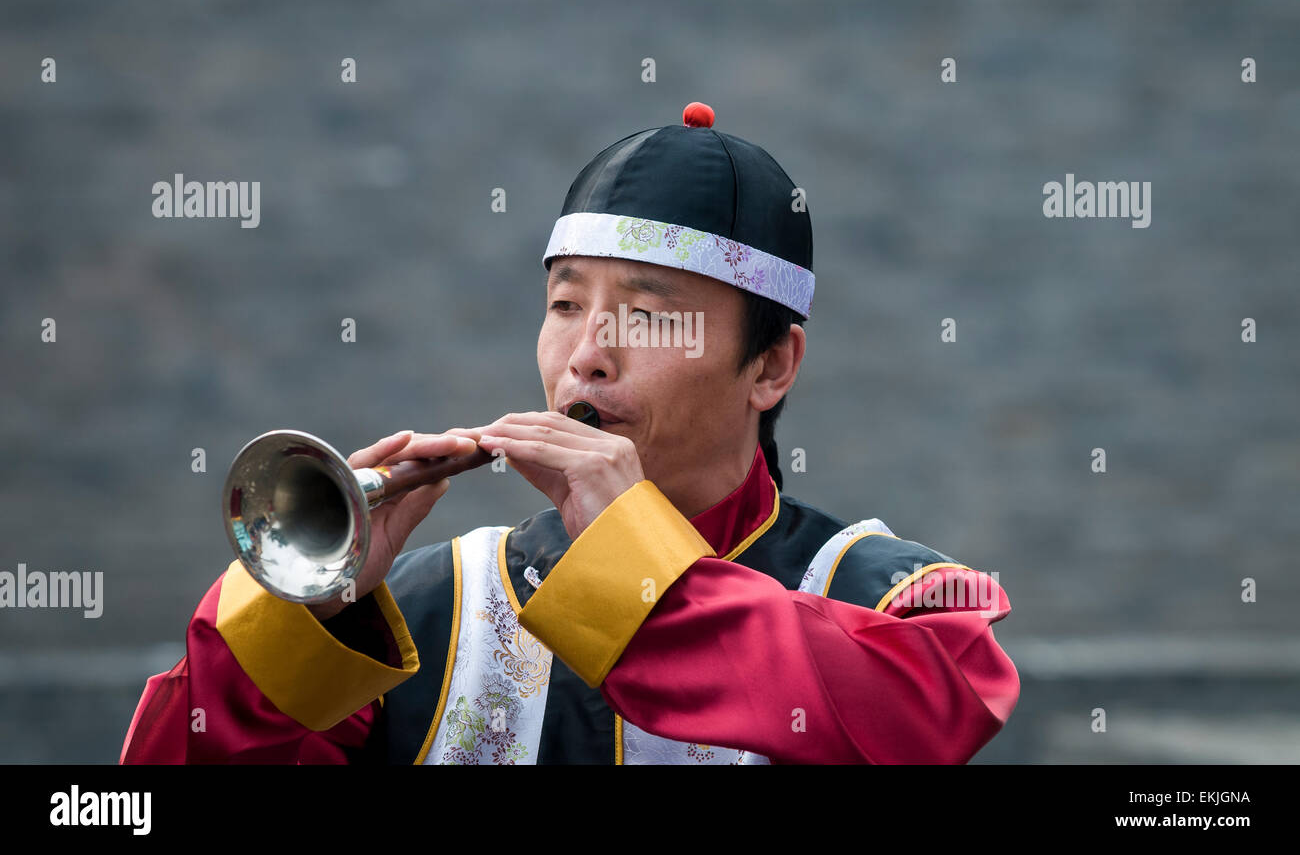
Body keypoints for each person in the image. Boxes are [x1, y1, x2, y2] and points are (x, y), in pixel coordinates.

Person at [120, 102, 1019, 765]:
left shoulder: (887, 594)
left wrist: (629, 554)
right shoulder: (423, 609)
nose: (587, 354)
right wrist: (308, 615)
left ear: (772, 365)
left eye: (648, 315)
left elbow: (926, 716)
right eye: (564, 305)